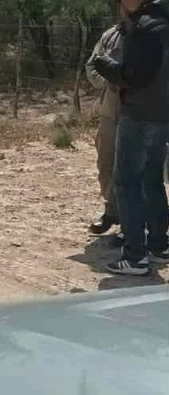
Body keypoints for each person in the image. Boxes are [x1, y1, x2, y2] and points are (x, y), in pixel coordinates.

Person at [92, 0, 169, 276]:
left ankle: (135, 256)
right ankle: (159, 246)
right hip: (163, 116)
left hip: (138, 115)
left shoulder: (144, 28)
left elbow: (132, 77)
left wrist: (105, 65)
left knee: (126, 182)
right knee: (152, 178)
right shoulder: (164, 23)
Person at [84, 15, 125, 235]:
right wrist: (108, 81)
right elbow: (92, 66)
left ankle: (146, 221)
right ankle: (111, 211)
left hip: (142, 114)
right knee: (106, 164)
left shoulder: (151, 35)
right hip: (110, 112)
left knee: (140, 168)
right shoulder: (110, 36)